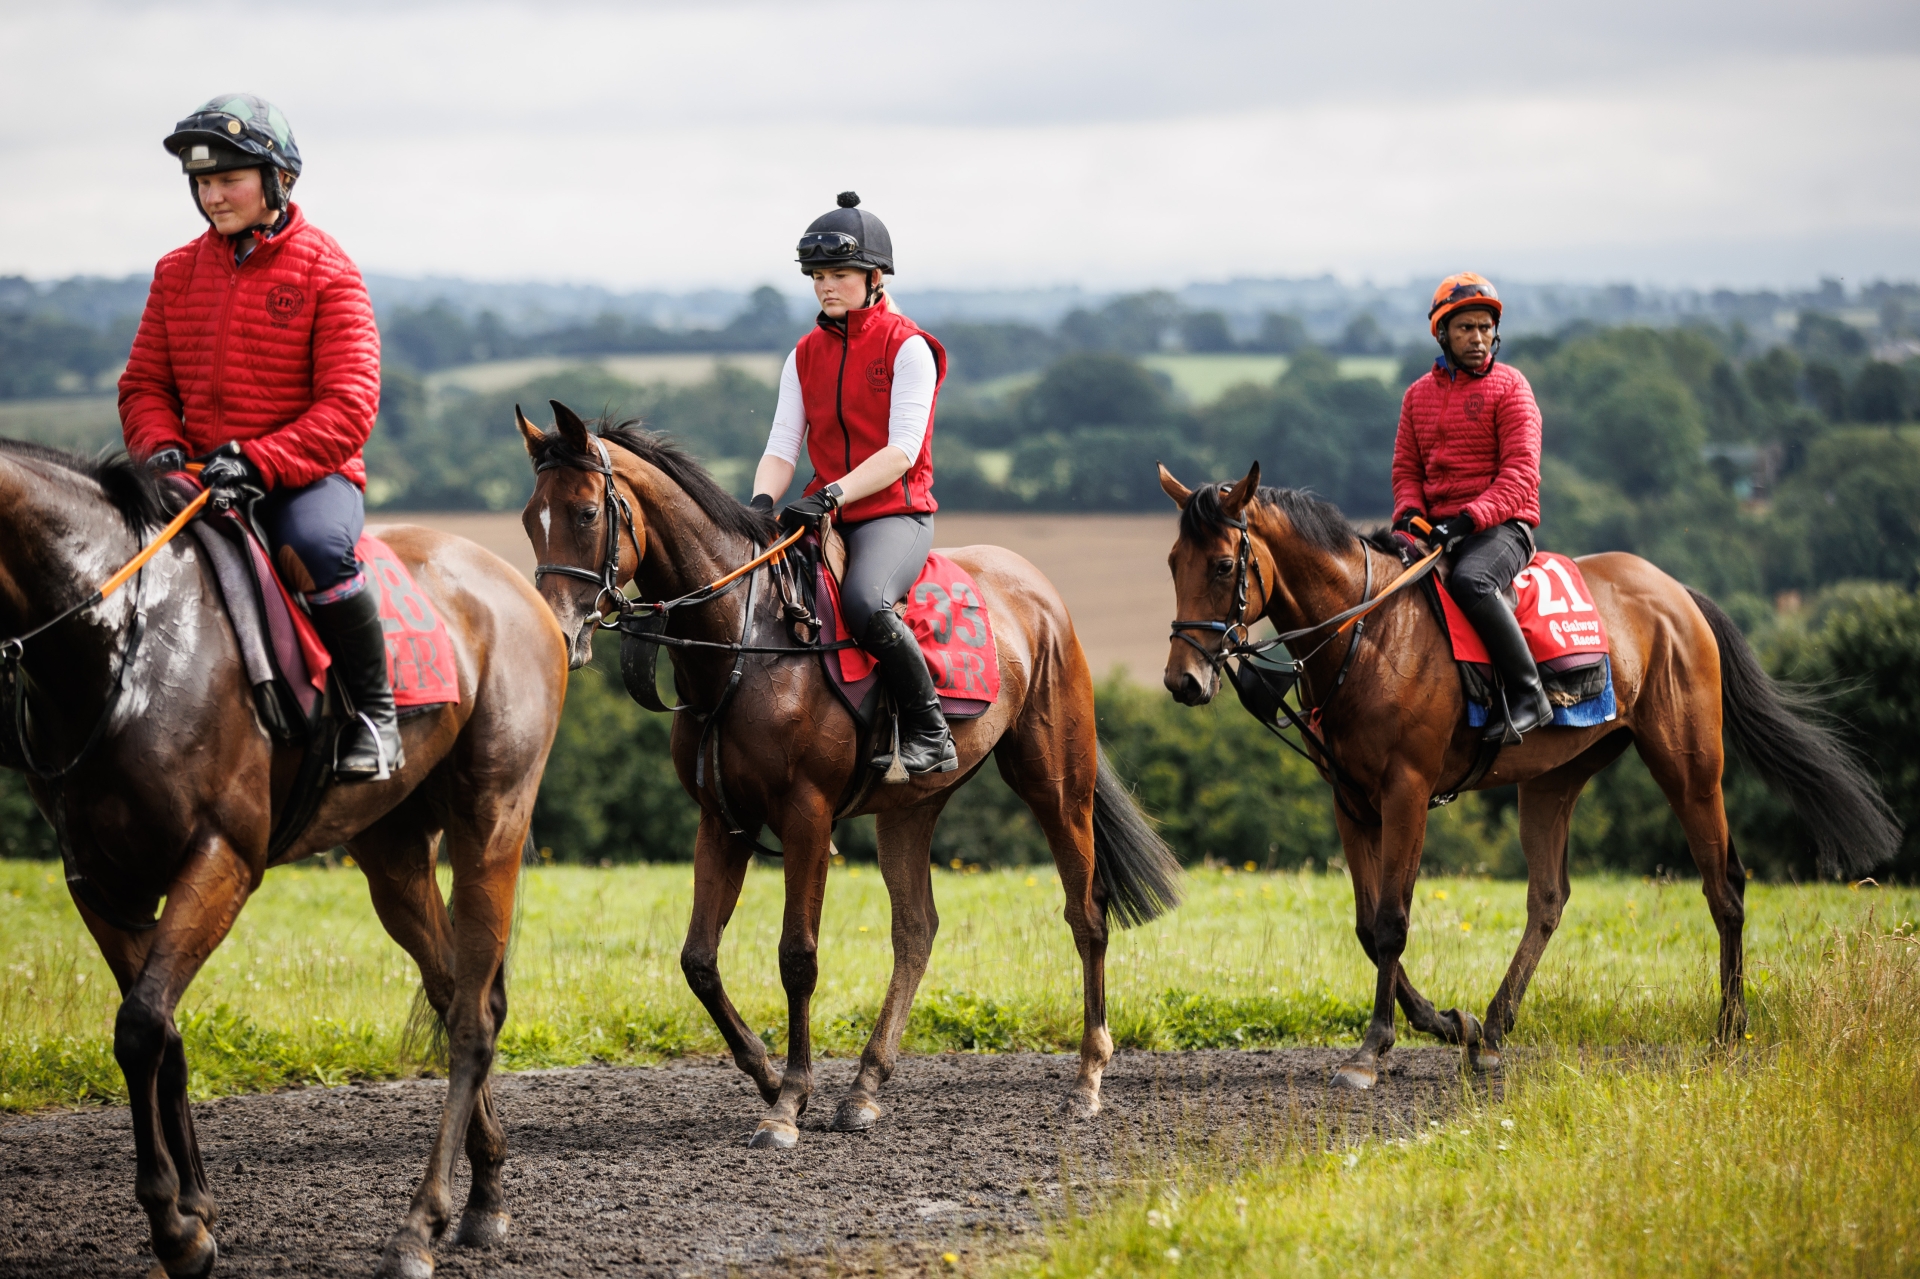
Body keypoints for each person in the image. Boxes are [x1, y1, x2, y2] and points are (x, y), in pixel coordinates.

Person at [119, 93, 400, 780]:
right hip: (192, 472)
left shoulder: (329, 272)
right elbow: (144, 386)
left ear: (279, 180)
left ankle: (376, 714)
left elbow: (349, 405)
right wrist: (158, 450)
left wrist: (258, 461)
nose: (212, 196)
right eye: (202, 183)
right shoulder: (174, 273)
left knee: (318, 546)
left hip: (307, 477)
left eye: (228, 179)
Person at [750, 192, 956, 776]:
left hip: (897, 512)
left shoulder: (907, 347)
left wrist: (834, 494)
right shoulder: (804, 354)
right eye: (817, 276)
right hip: (825, 511)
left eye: (838, 274)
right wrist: (762, 504)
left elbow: (901, 453)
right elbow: (781, 446)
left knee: (865, 602)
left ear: (873, 277)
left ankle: (929, 727)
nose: (825, 286)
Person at [1390, 272, 1554, 742]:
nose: (1478, 338)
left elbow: (1521, 474)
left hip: (1503, 528)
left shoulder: (1512, 387)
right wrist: (1408, 513)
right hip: (1437, 527)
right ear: (1443, 334)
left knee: (1471, 580)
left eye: (1485, 328)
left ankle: (1530, 695)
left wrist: (1465, 521)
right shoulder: (1417, 395)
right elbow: (1406, 470)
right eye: (1466, 329)